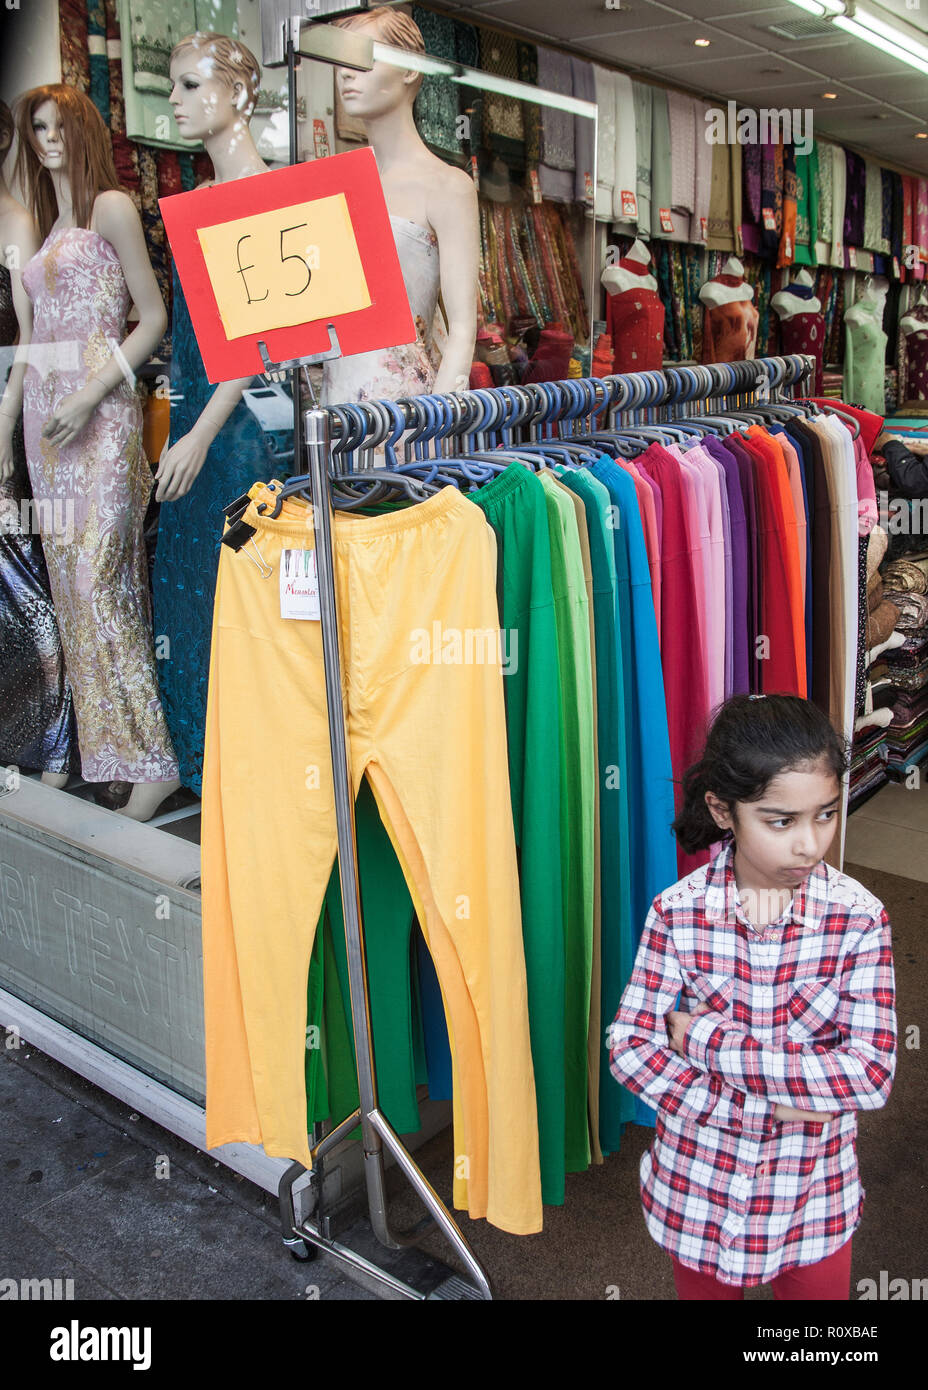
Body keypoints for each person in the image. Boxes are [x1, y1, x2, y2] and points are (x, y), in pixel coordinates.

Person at [608, 693, 896, 1300]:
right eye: (780, 820)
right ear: (721, 810)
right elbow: (630, 1045)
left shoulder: (859, 921)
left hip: (812, 1203)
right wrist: (774, 1105)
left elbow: (869, 1074)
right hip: (697, 1194)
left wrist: (706, 1042)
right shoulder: (678, 915)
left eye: (825, 814)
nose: (810, 845)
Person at [14, 83, 179, 820]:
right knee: (72, 598)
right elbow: (32, 340)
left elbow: (153, 318)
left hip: (102, 418)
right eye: (36, 127)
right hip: (45, 431)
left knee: (99, 581)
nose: (47, 138)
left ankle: (153, 762)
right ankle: (108, 757)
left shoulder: (109, 207)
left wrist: (90, 393)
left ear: (81, 129)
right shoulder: (46, 228)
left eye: (58, 125)